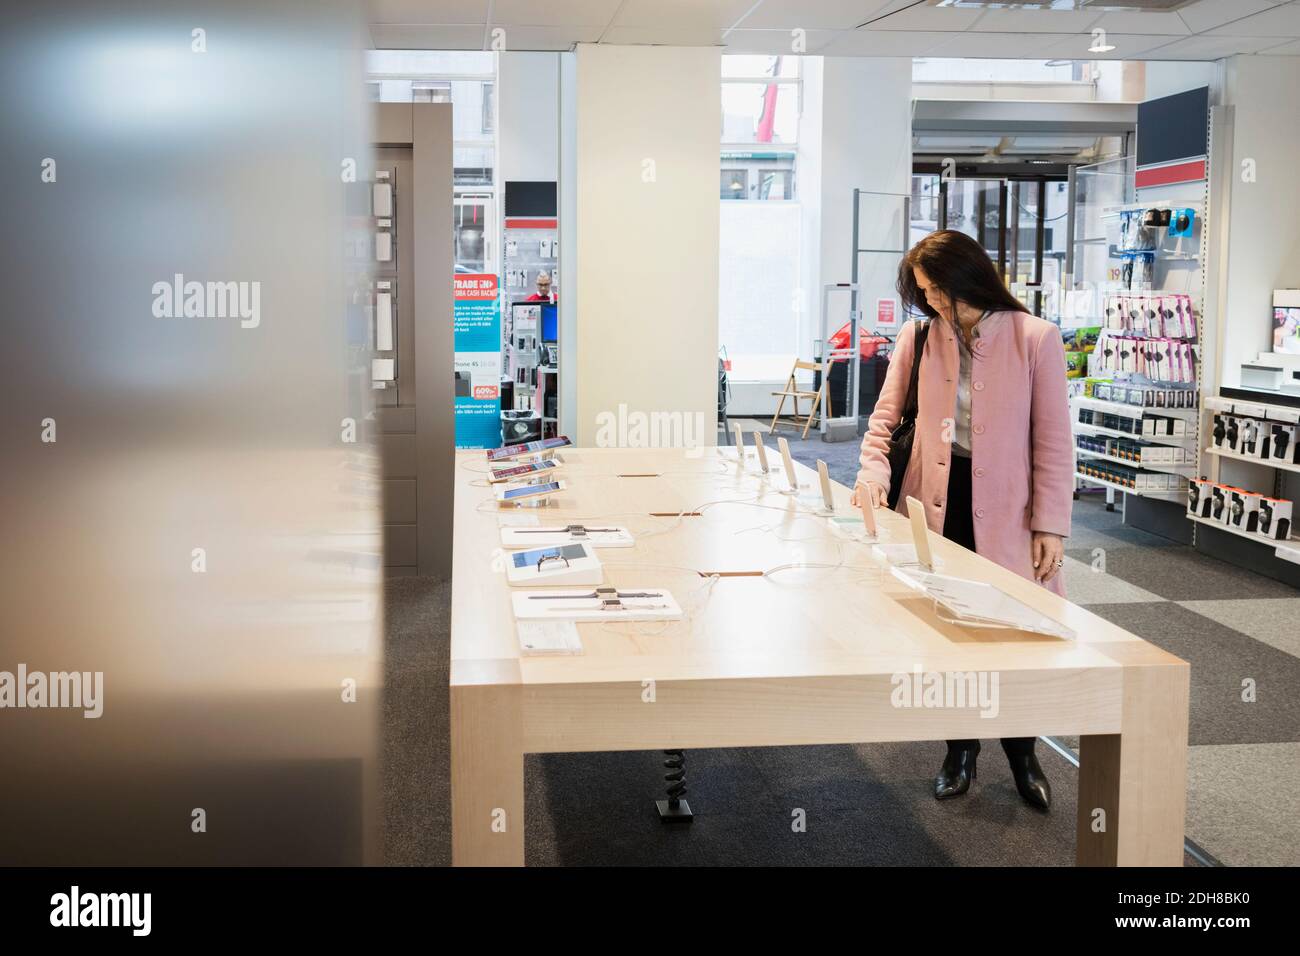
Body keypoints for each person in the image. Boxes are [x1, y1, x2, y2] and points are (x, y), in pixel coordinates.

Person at [850, 230, 1073, 811]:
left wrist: (1050, 524)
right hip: (935, 503)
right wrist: (873, 476)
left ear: (965, 280)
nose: (932, 305)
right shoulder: (919, 336)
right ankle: (961, 750)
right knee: (950, 629)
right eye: (924, 295)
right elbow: (884, 421)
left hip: (1009, 514)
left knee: (1017, 632)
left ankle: (1024, 753)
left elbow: (1053, 442)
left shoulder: (1035, 338)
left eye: (937, 292)